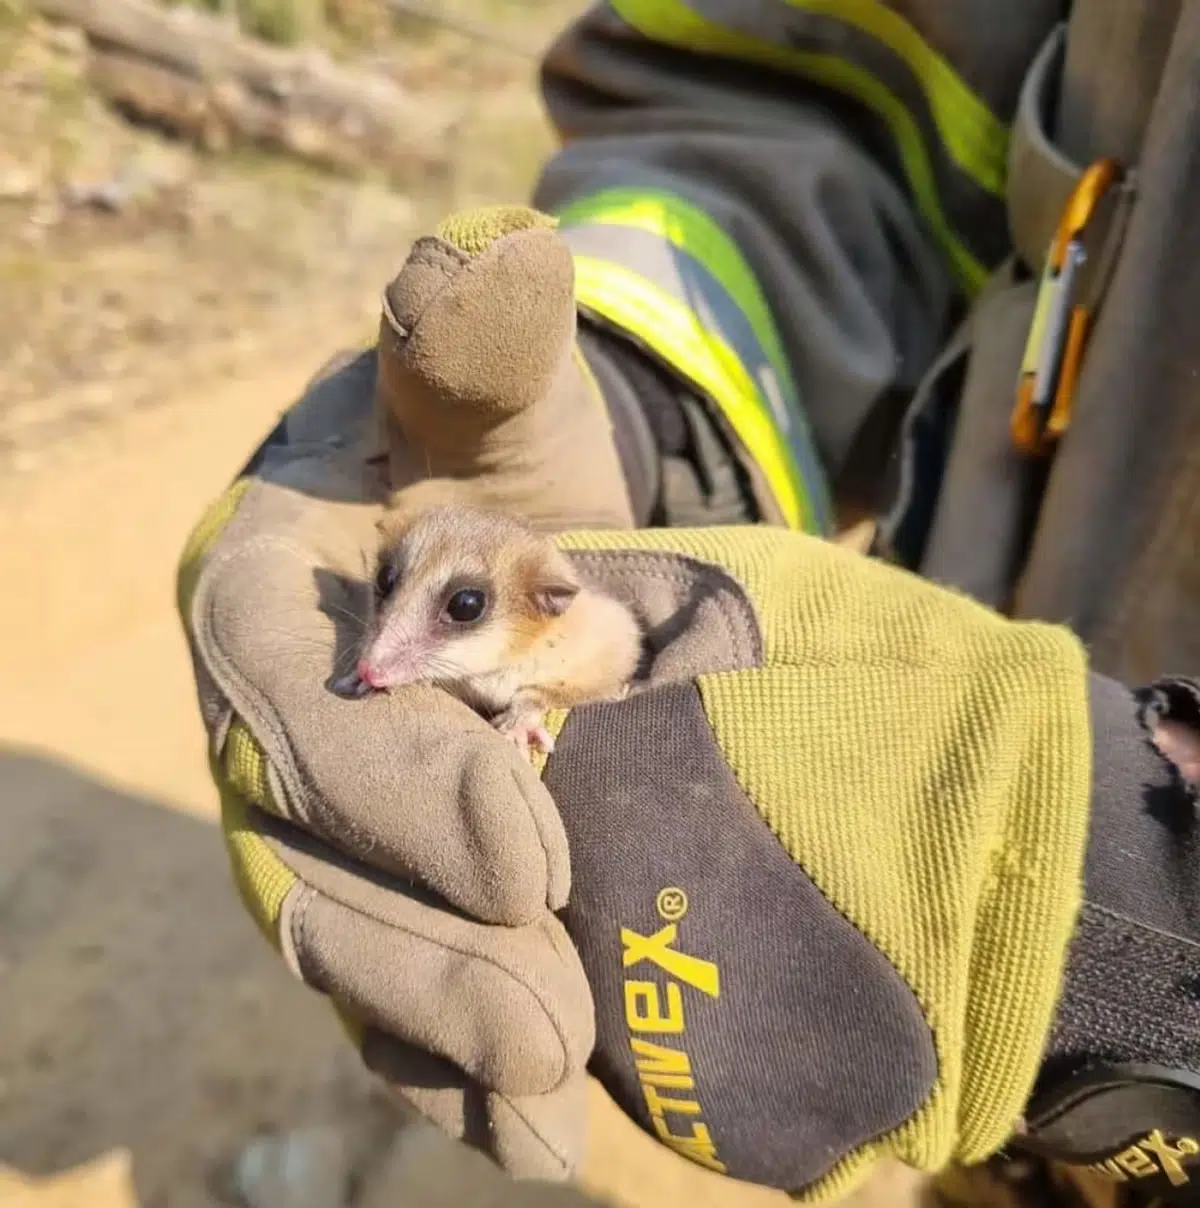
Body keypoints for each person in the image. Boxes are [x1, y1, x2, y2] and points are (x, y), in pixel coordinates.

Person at [175, 3, 1200, 1206]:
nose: (385, 651)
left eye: (450, 610)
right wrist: (639, 409)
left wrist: (1141, 905)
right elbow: (821, 97)